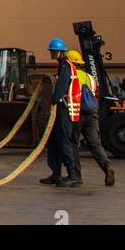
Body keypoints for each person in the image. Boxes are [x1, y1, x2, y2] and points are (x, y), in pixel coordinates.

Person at [67, 49, 114, 186]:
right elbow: (96, 96)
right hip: (92, 113)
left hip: (77, 113)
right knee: (94, 143)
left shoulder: (71, 76)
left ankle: (76, 176)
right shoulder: (90, 77)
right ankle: (107, 166)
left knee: (73, 143)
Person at [40, 37, 82, 187]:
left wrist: (53, 100)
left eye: (53, 52)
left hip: (64, 109)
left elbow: (62, 87)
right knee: (53, 142)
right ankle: (55, 173)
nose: (51, 54)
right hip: (60, 108)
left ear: (59, 52)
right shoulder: (62, 66)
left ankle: (73, 175)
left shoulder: (66, 66)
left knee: (64, 142)